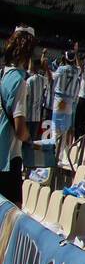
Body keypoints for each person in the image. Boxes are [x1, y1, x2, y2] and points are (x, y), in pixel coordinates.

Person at [0, 30, 33, 205]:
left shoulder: (2, 75)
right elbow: (20, 131)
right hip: (9, 157)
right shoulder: (19, 82)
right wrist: (29, 139)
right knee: (12, 214)